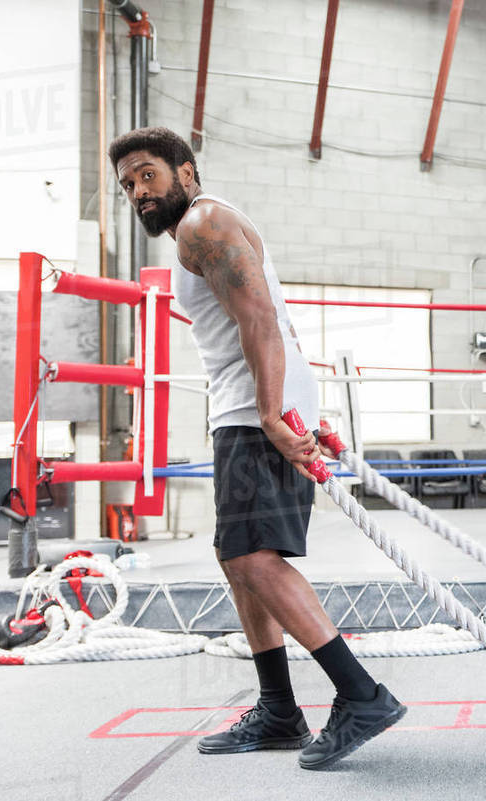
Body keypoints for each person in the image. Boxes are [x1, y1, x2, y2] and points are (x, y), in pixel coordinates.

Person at [109, 126, 405, 770]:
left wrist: (272, 414)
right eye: (128, 184)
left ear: (186, 172)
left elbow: (261, 319)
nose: (138, 191)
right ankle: (278, 709)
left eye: (148, 174)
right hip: (247, 406)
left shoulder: (204, 224)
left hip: (254, 409)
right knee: (236, 555)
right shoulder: (200, 228)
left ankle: (362, 696)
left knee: (253, 557)